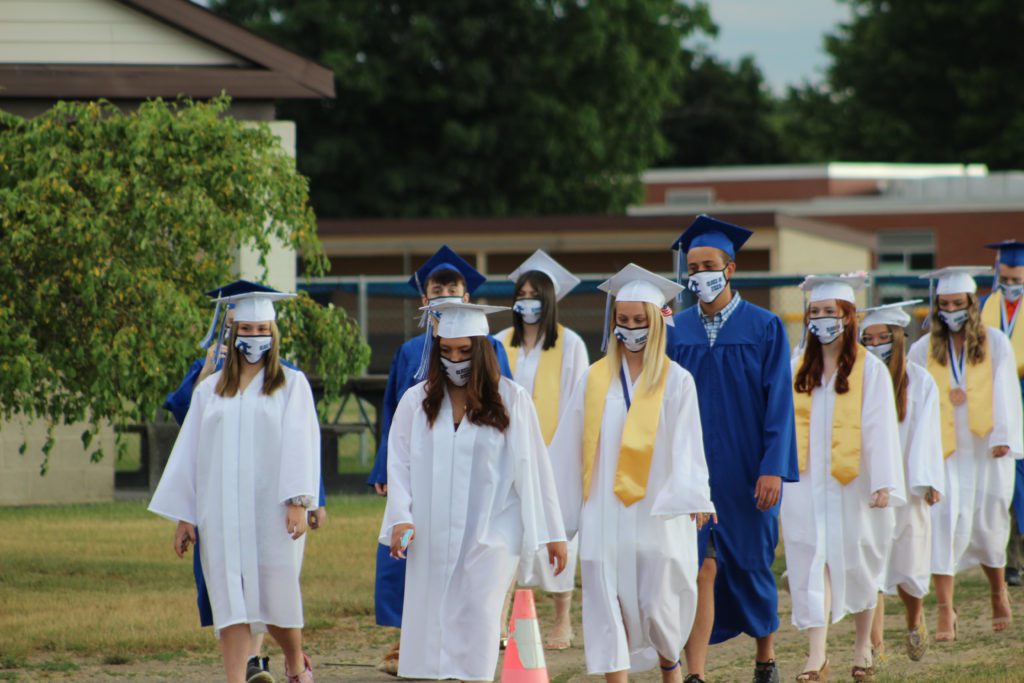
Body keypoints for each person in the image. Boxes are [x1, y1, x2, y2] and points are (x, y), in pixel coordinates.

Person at [380, 300, 568, 682]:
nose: (455, 360)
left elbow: (534, 468)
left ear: (481, 349)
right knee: (433, 616)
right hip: (431, 529)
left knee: (480, 612)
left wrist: (553, 533)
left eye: (464, 350)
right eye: (446, 351)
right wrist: (400, 517)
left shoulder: (511, 399)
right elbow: (399, 466)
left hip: (493, 527)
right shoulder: (416, 402)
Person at [549, 263, 715, 683]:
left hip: (657, 509)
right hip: (603, 509)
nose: (630, 329)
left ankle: (669, 665)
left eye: (639, 320)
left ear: (657, 322)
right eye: (622, 320)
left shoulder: (677, 381)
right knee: (605, 598)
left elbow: (689, 444)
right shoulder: (593, 379)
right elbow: (567, 447)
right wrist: (556, 518)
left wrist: (694, 494)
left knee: (659, 598)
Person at [149, 285, 321, 683]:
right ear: (233, 332)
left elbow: (301, 443)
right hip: (221, 511)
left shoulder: (292, 384)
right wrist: (185, 516)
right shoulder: (209, 391)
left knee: (277, 598)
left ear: (272, 334)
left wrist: (298, 501)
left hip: (273, 511)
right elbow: (190, 453)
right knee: (230, 602)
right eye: (246, 328)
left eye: (262, 329)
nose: (254, 336)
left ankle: (296, 664)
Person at [367, 246, 512, 674]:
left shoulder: (489, 348)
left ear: (467, 296)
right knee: (409, 560)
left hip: (474, 471)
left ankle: (471, 646)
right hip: (424, 468)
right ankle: (411, 643)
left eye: (453, 287)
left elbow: (502, 412)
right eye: (437, 288)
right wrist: (383, 467)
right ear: (424, 298)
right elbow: (395, 414)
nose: (445, 293)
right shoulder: (411, 350)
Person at [667, 215, 798, 683]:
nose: (699, 275)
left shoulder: (765, 327)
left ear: (730, 268)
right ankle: (696, 673)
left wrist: (773, 467)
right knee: (699, 567)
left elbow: (779, 404)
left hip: (748, 470)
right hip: (694, 472)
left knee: (752, 563)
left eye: (708, 266)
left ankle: (766, 658)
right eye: (693, 267)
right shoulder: (675, 330)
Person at [783, 274, 905, 683]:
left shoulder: (871, 370)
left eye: (828, 312)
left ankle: (862, 645)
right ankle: (816, 654)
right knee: (810, 560)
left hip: (856, 483)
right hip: (806, 483)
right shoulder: (797, 369)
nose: (820, 319)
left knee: (860, 560)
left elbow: (881, 429)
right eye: (814, 312)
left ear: (848, 317)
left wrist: (884, 481)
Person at [908, 266, 1024, 640]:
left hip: (986, 446)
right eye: (944, 304)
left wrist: (1004, 436)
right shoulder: (922, 349)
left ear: (972, 304)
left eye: (958, 303)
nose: (951, 311)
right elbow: (913, 402)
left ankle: (998, 591)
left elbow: (1007, 390)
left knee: (990, 522)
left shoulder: (995, 342)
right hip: (943, 449)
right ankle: (946, 609)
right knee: (941, 523)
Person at [495, 249, 588, 650]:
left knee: (557, 531)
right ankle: (503, 618)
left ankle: (562, 620)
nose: (527, 302)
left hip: (554, 454)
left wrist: (563, 455)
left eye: (535, 295)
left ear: (549, 300)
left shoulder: (572, 345)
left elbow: (577, 404)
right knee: (509, 534)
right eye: (521, 295)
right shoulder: (500, 342)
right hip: (510, 455)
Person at [859, 301, 944, 662]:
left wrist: (928, 479)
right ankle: (874, 645)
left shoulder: (920, 381)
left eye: (882, 337)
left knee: (909, 564)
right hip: (871, 484)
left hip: (908, 484)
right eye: (867, 339)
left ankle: (914, 617)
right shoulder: (857, 379)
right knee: (872, 564)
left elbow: (928, 434)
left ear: (898, 338)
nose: (875, 345)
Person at [980, 241, 1024, 587]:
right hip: (999, 399)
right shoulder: (985, 306)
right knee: (1009, 480)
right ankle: (1013, 559)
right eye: (1005, 279)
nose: (1010, 285)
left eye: (1017, 280)